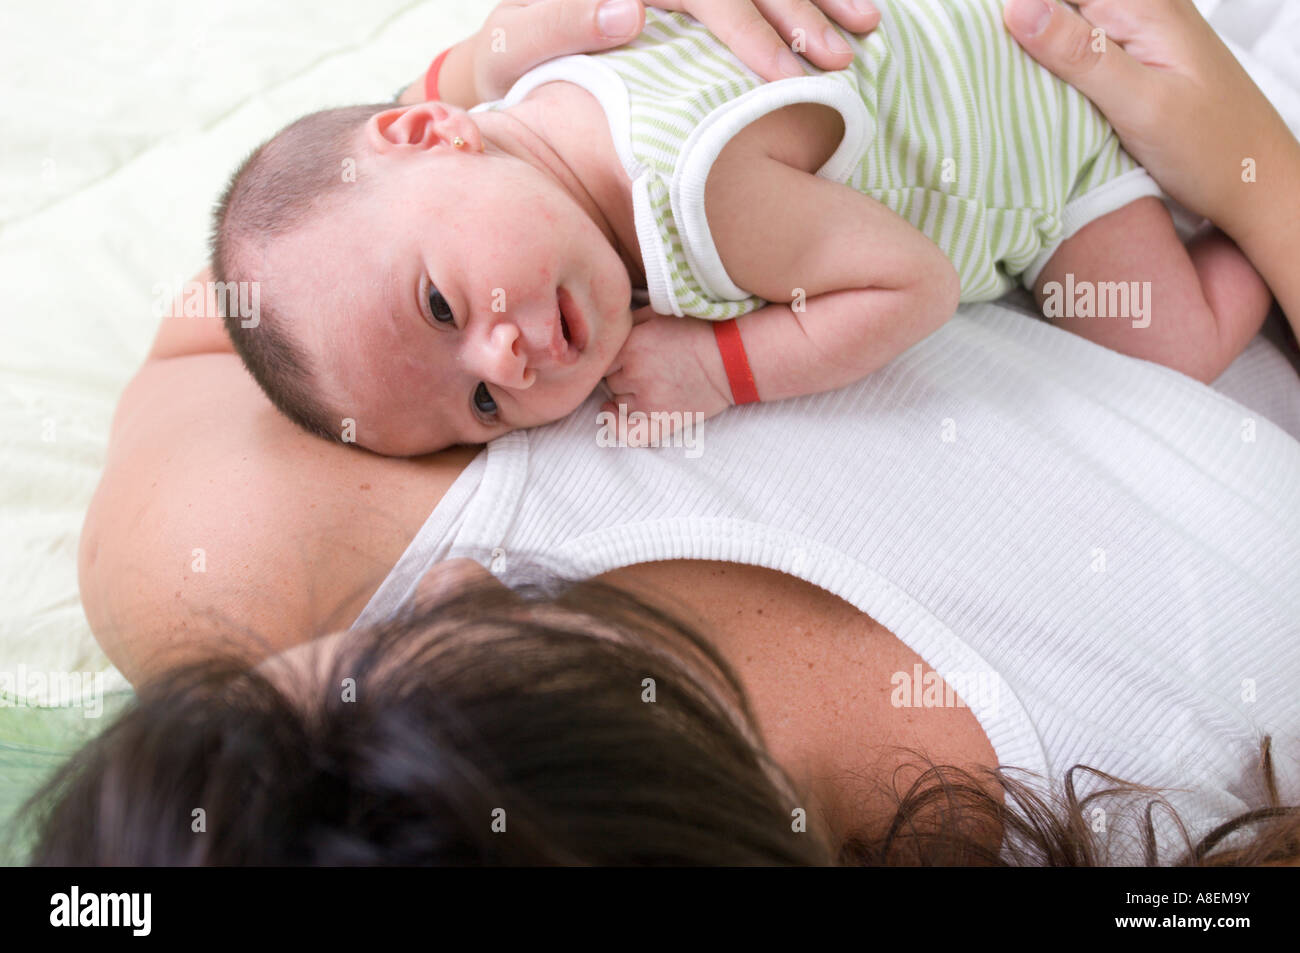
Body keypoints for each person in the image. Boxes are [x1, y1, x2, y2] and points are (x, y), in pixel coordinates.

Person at [66, 0, 1300, 865]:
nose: (438, 579)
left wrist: (522, 79)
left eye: (339, 658)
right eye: (413, 680)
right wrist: (1256, 168)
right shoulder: (1174, 789)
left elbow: (281, 283)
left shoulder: (243, 581)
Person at [211, 1, 1272, 457]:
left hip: (1046, 126)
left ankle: (1264, 180)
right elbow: (386, 173)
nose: (507, 357)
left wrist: (724, 367)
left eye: (440, 305)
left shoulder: (694, 207)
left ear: (426, 130)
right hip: (962, 37)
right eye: (482, 403)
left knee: (1172, 345)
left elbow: (911, 287)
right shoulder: (535, 77)